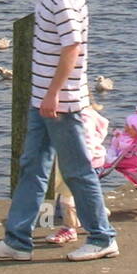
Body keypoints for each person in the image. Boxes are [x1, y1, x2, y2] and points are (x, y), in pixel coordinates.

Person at [0, 0, 119, 262]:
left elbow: (72, 49)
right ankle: (17, 241)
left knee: (77, 171)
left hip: (61, 103)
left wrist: (53, 95)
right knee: (32, 168)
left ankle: (102, 237)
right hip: (44, 101)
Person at [46, 104, 110, 246]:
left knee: (67, 199)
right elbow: (101, 130)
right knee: (86, 194)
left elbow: (85, 143)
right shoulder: (90, 113)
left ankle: (69, 229)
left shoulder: (81, 118)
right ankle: (98, 213)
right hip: (96, 161)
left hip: (83, 162)